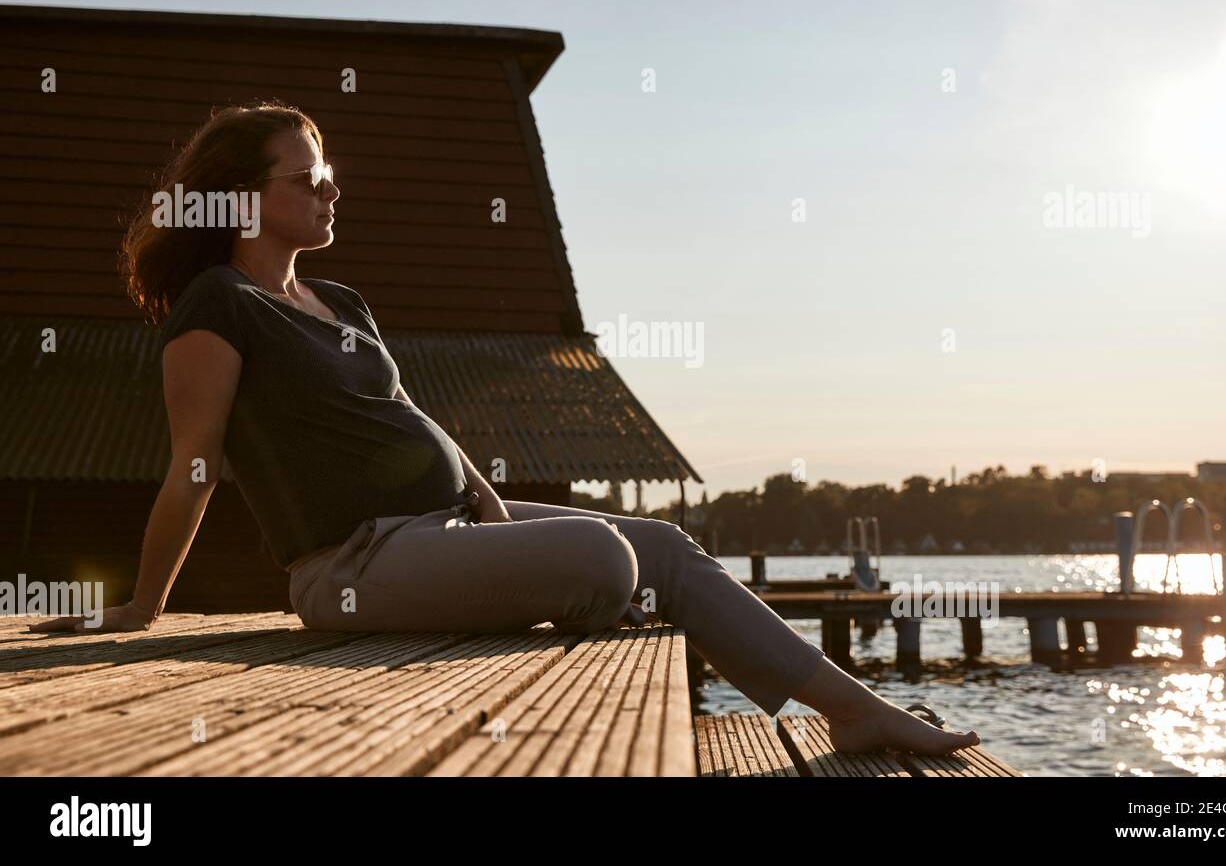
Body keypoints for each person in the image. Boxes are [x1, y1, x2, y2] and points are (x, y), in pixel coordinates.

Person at [31, 100, 979, 756]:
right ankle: (601, 596)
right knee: (608, 559)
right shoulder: (216, 305)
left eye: (330, 178)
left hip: (443, 531)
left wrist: (491, 511)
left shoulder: (340, 299)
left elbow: (409, 419)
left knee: (666, 546)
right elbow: (192, 467)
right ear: (246, 194)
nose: (330, 193)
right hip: (353, 568)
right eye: (309, 178)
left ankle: (856, 712)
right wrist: (142, 606)